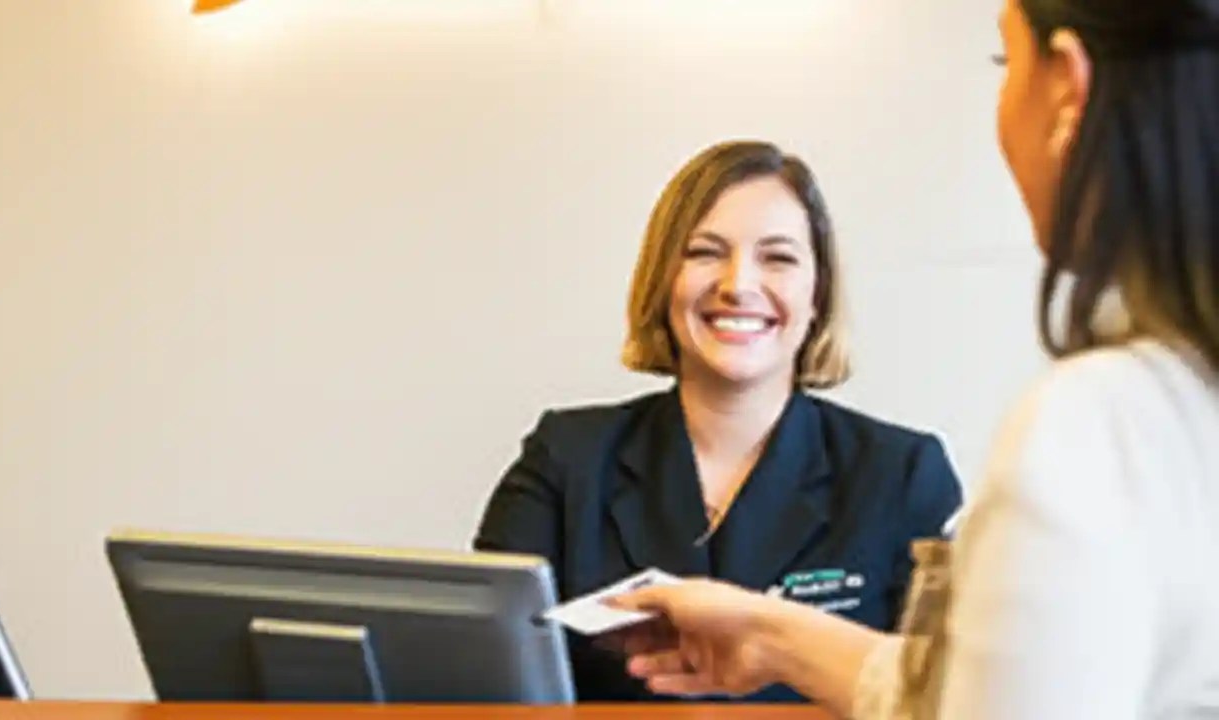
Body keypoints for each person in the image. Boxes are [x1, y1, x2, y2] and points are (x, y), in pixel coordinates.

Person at [610, 1, 1219, 718]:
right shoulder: (1174, 405)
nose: (738, 284)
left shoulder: (1091, 428)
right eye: (706, 252)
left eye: (1006, 63)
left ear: (1066, 88)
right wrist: (772, 637)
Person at [473, 140, 964, 702]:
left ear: (818, 293)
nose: (737, 285)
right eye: (705, 253)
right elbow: (484, 675)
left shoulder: (904, 474)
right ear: (663, 281)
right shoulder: (565, 460)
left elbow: (952, 699)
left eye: (777, 258)